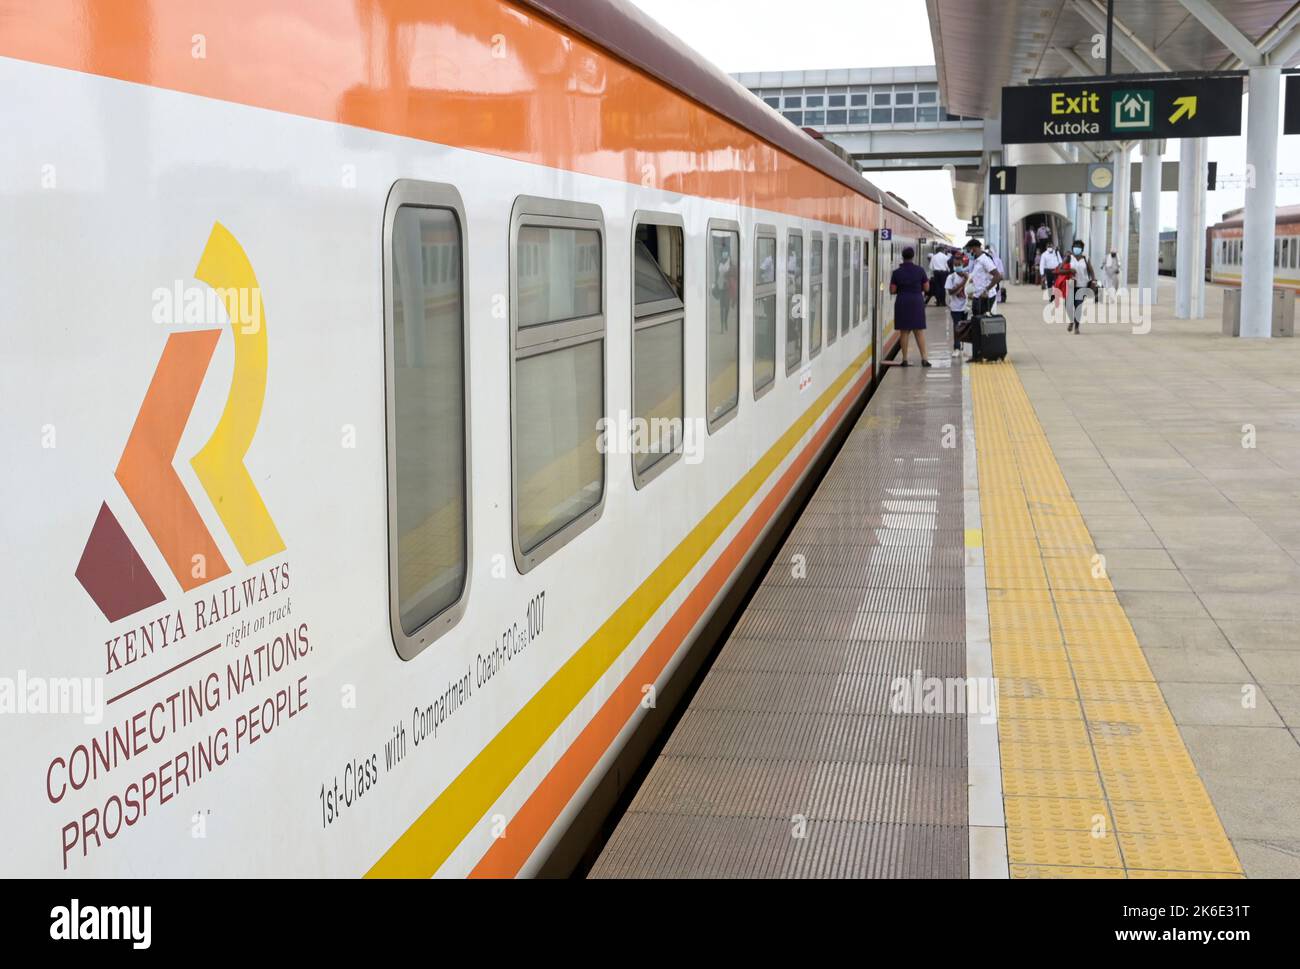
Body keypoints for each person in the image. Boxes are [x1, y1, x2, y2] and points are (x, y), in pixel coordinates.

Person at [890, 247, 931, 367]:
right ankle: (924, 358)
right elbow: (927, 288)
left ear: (902, 256)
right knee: (919, 331)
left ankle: (904, 359)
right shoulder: (920, 270)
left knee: (904, 332)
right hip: (917, 301)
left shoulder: (896, 273)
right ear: (913, 256)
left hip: (902, 301)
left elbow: (892, 290)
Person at [1060, 240, 1097, 333]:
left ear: (1082, 249)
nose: (1077, 248)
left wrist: (1094, 280)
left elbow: (1091, 270)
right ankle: (1071, 320)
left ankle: (1076, 327)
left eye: (1079, 246)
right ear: (1072, 248)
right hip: (1071, 284)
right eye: (1075, 246)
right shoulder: (1069, 258)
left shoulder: (1085, 258)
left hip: (1082, 285)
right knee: (1068, 305)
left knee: (1078, 306)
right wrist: (1069, 271)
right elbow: (1059, 269)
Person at [965, 238, 1002, 318]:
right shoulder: (977, 260)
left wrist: (986, 290)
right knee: (976, 319)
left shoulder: (985, 260)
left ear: (973, 248)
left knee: (981, 321)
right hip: (978, 295)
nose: (968, 253)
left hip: (985, 297)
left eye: (969, 250)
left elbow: (998, 276)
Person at [945, 255, 970, 357]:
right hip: (955, 307)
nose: (957, 266)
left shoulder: (969, 276)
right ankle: (956, 348)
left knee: (967, 328)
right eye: (955, 265)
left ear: (963, 264)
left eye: (959, 264)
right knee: (957, 327)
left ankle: (965, 348)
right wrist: (963, 282)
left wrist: (967, 280)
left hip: (967, 307)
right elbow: (951, 292)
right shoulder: (951, 277)